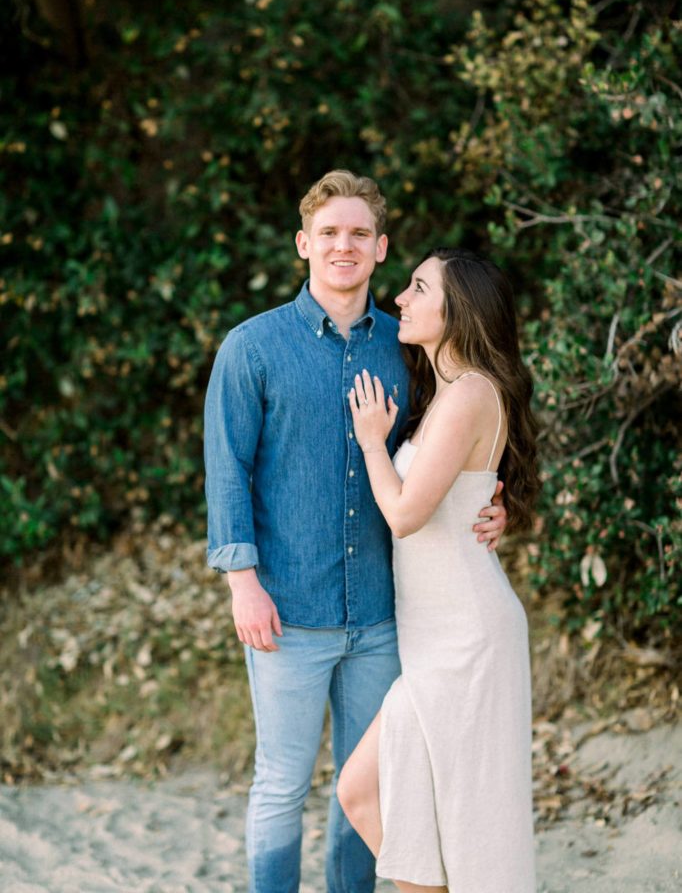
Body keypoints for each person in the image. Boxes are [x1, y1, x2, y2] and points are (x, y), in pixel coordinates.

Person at [203, 172, 508, 893]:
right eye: (330, 233)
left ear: (381, 249)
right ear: (304, 244)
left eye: (360, 234)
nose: (345, 245)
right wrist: (242, 584)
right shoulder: (252, 348)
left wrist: (501, 504)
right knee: (280, 784)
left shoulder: (407, 349)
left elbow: (466, 436)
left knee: (367, 783)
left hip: (382, 614)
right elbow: (227, 471)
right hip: (288, 609)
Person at [336, 248, 540, 893]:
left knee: (455, 822)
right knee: (372, 798)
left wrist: (373, 441)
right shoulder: (452, 395)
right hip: (437, 646)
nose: (401, 297)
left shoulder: (470, 393)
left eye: (419, 288)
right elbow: (461, 497)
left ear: (458, 312)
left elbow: (403, 515)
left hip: (467, 642)